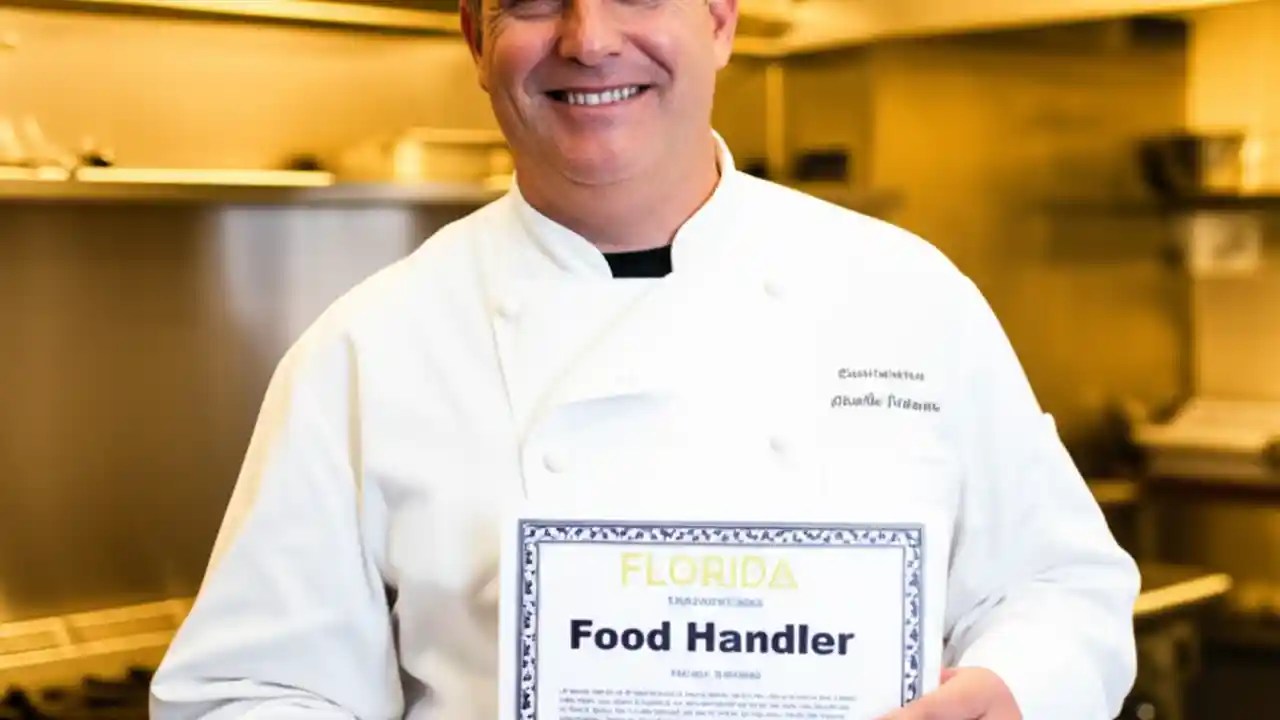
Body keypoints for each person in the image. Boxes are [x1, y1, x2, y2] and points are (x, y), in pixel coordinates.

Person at [149, 1, 1140, 718]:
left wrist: (1012, 690)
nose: (587, 38)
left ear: (720, 19)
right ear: (476, 40)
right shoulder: (364, 351)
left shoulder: (908, 296)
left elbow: (1057, 588)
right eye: (534, 2)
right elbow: (249, 691)